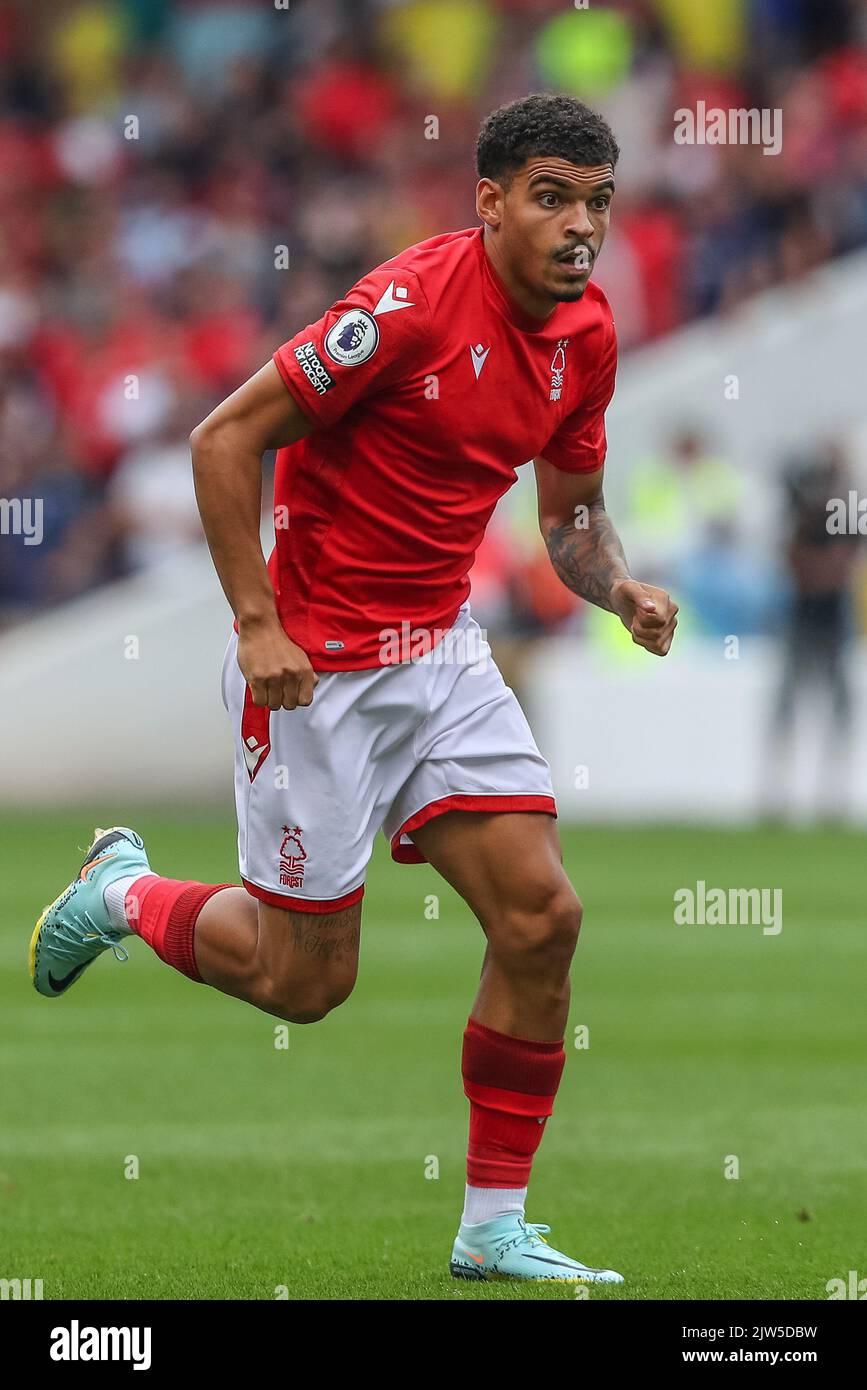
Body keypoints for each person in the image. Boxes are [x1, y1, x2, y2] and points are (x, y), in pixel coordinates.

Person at [30, 93, 677, 1284]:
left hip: (440, 651)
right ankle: (123, 889)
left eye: (596, 201)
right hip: (315, 669)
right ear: (490, 202)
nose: (579, 226)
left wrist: (620, 589)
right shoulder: (405, 310)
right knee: (305, 983)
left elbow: (573, 517)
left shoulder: (587, 334)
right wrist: (258, 622)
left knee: (544, 920)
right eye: (551, 196)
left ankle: (490, 1230)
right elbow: (225, 440)